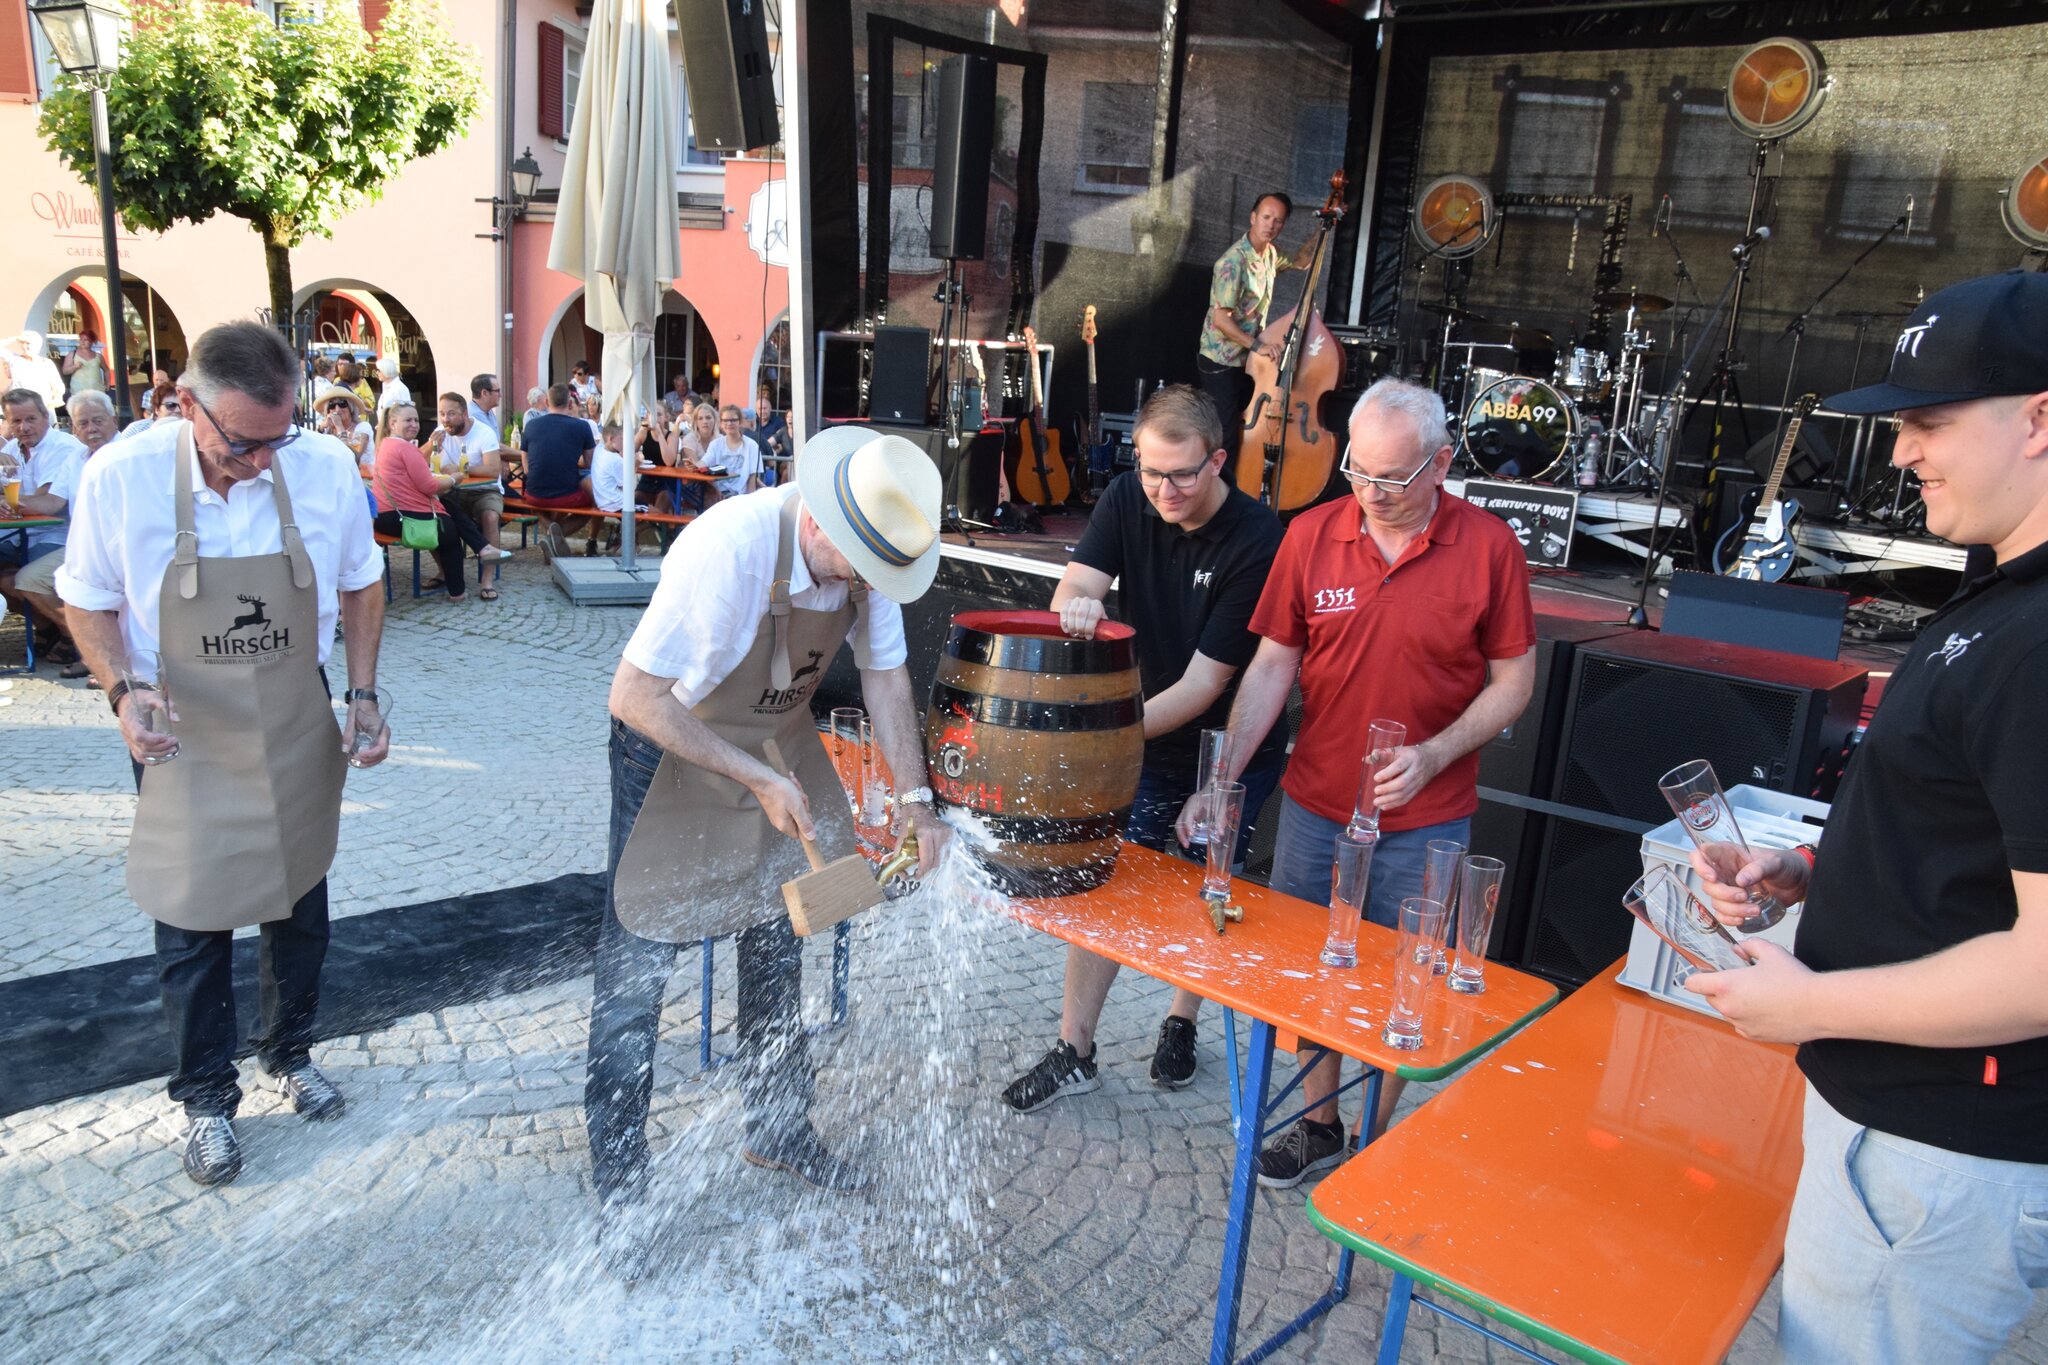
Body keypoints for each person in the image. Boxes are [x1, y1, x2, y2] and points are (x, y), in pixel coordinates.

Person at [1680, 272, 2048, 1365]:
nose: (1899, 454)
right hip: (1911, 1139)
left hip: (1937, 1149)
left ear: (2038, 418)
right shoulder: (2004, 598)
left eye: (1927, 423)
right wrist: (1812, 868)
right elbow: (1972, 839)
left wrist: (1810, 1001)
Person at [586, 425, 949, 1278]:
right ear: (821, 521)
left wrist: (916, 801)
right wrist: (753, 775)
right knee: (640, 962)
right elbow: (634, 696)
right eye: (861, 569)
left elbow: (889, 677)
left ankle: (779, 1127)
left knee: (781, 938)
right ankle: (621, 1189)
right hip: (670, 744)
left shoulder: (873, 554)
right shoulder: (732, 546)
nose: (869, 588)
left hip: (773, 746)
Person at [56, 320, 390, 1188]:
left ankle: (290, 1051)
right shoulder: (119, 477)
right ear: (185, 406)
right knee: (194, 911)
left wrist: (360, 693)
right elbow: (87, 602)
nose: (263, 462)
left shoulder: (317, 468)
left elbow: (361, 580)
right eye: (244, 442)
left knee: (299, 898)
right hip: (180, 717)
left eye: (281, 437)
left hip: (291, 708)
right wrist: (125, 694)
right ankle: (207, 1097)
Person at [1188, 377, 1535, 1187]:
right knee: (1316, 976)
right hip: (1317, 806)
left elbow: (1514, 683)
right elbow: (1274, 662)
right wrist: (1223, 778)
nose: (1372, 493)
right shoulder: (1310, 534)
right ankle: (1320, 1123)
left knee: (1400, 983)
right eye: (1359, 472)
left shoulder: (1489, 548)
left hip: (1429, 814)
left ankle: (1372, 1147)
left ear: (1442, 463)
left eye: (1393, 478)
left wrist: (1436, 753)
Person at [1000, 385, 1288, 1112]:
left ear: (1218, 460)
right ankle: (1076, 1046)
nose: (1163, 490)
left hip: (1224, 743)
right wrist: (1078, 605)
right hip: (1134, 723)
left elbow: (1203, 685)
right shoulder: (1130, 494)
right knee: (1102, 886)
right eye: (1150, 472)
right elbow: (1076, 584)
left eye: (1182, 475)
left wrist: (1102, 731)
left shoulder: (1259, 538)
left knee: (1202, 887)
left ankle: (1180, 1021)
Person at [1196, 193, 1317, 453]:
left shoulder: (1270, 254)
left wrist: (1326, 226)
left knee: (1244, 432)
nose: (1270, 225)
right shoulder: (1232, 261)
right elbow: (1220, 320)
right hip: (1221, 360)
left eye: (1278, 221)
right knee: (1225, 436)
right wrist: (1258, 346)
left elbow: (1302, 261)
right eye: (1265, 217)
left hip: (1246, 360)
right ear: (1253, 217)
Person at [372, 401, 509, 602]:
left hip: (385, 515)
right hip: (402, 518)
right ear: (392, 423)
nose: (414, 424)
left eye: (416, 420)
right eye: (408, 420)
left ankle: (483, 549)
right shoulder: (405, 448)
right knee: (449, 531)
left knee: (448, 506)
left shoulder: (386, 445)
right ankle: (458, 591)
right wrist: (455, 478)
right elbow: (429, 486)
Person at [1, 389, 92, 676]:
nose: (23, 427)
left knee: (21, 580)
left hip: (56, 535)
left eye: (30, 419)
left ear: (45, 416)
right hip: (19, 533)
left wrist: (10, 502)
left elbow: (47, 502)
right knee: (4, 577)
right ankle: (47, 628)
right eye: (15, 421)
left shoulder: (62, 447)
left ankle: (76, 637)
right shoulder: (12, 450)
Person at [425, 392, 513, 599]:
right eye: (442, 414)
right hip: (450, 490)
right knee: (431, 517)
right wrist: (430, 445)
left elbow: (493, 470)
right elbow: (417, 462)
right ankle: (445, 570)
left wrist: (461, 469)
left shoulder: (484, 432)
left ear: (464, 414)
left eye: (451, 414)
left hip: (484, 490)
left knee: (490, 517)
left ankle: (487, 580)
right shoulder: (439, 433)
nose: (445, 419)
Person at [521, 383, 598, 559]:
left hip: (534, 493)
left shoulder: (531, 425)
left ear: (547, 402)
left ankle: (551, 536)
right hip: (567, 494)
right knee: (590, 507)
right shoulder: (582, 427)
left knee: (536, 503)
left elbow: (525, 467)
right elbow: (589, 463)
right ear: (570, 404)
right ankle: (553, 538)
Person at [704, 404, 765, 500]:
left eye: (733, 420)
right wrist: (715, 490)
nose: (729, 423)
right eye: (725, 420)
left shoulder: (752, 445)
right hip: (718, 494)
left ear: (740, 422)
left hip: (740, 496)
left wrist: (748, 499)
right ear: (721, 423)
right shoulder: (715, 444)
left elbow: (753, 476)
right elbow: (704, 465)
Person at [314, 383, 374, 471]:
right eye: (332, 405)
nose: (337, 410)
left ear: (350, 407)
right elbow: (315, 452)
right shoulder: (327, 430)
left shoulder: (362, 428)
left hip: (361, 478)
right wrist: (321, 428)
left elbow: (352, 457)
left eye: (342, 404)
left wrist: (339, 427)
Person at [4, 333, 68, 412]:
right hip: (20, 406)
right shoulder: (14, 359)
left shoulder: (46, 363)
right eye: (23, 343)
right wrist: (15, 337)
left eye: (29, 343)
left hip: (43, 407)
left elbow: (58, 385)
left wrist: (57, 398)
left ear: (38, 345)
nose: (26, 346)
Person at [61, 328, 109, 397]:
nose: (82, 342)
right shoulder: (72, 354)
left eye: (85, 339)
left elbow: (106, 370)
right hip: (78, 393)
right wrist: (74, 367)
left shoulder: (98, 356)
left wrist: (107, 383)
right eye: (81, 339)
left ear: (92, 341)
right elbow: (65, 371)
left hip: (97, 393)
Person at [467, 373, 502, 439]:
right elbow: (492, 443)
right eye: (497, 391)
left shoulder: (488, 410)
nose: (500, 395)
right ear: (484, 393)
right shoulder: (474, 415)